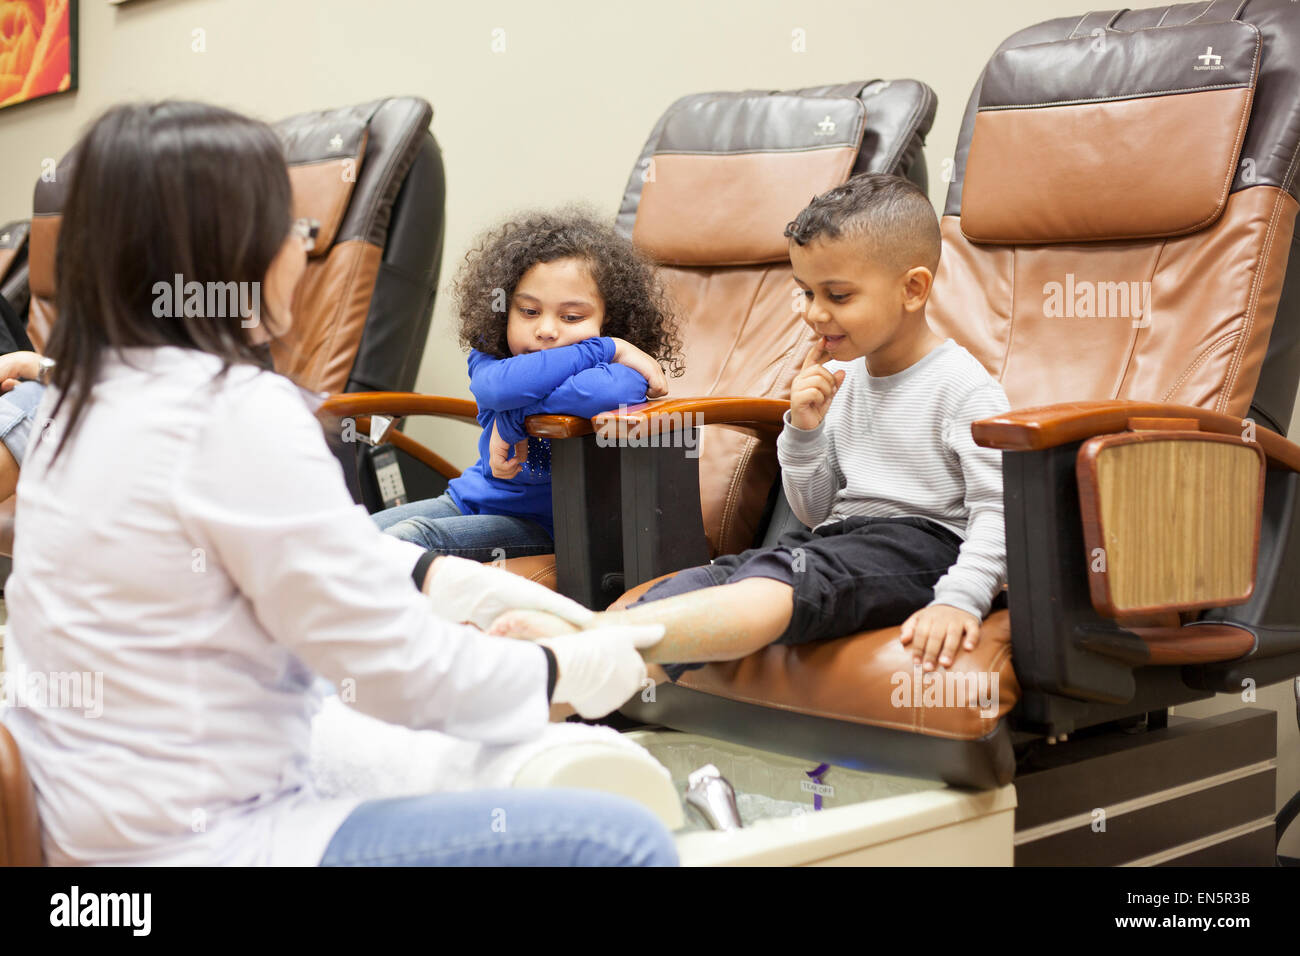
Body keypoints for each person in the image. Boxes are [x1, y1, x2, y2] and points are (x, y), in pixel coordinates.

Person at [0, 101, 677, 867]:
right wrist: (570, 669)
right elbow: (396, 672)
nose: (298, 250)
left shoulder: (68, 402)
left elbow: (282, 549)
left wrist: (455, 584)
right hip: (190, 848)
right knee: (615, 837)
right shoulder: (236, 412)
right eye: (286, 228)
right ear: (233, 252)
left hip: (78, 821)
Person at [489, 173, 1010, 681]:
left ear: (913, 289)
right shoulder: (842, 378)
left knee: (778, 580)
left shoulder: (961, 387)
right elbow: (814, 511)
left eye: (838, 296)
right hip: (838, 539)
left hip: (925, 547)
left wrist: (960, 601)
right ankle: (547, 702)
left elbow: (998, 510)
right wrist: (804, 433)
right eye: (805, 293)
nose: (814, 313)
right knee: (701, 583)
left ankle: (589, 639)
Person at [372, 210, 683, 560]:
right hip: (467, 500)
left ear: (608, 318)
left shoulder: (623, 372)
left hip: (552, 526)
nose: (546, 330)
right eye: (529, 312)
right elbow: (499, 389)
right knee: (352, 537)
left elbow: (598, 393)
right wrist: (606, 348)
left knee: (406, 540)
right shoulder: (492, 352)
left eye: (571, 317)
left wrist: (510, 420)